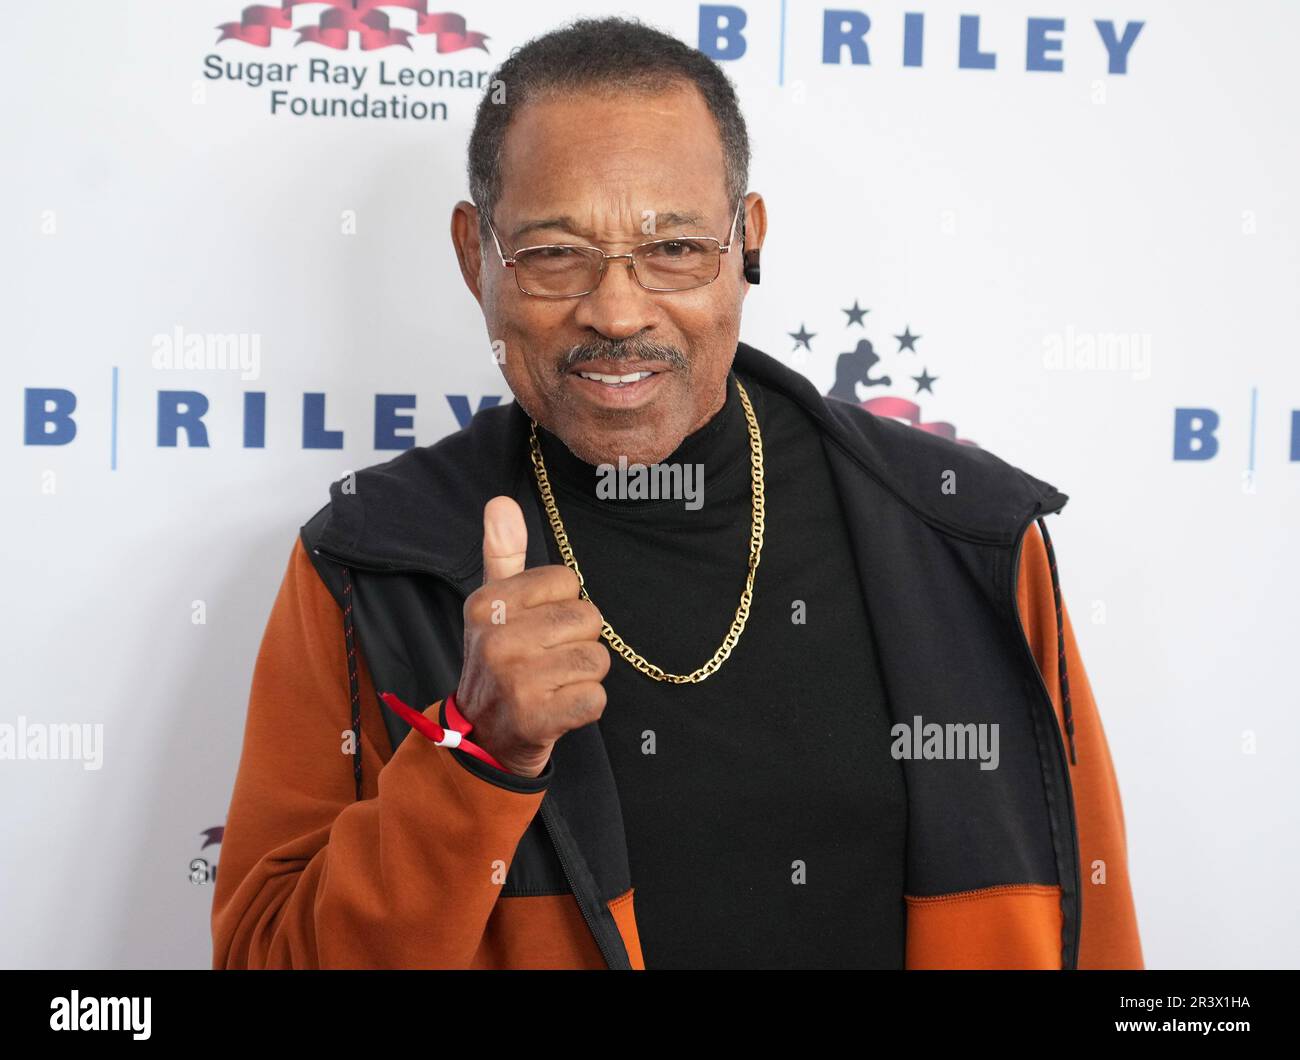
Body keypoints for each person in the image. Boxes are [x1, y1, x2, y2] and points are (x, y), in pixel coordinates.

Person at [211, 15, 1142, 970]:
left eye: (677, 249)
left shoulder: (964, 533)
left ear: (748, 243)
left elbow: (1093, 936)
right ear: (472, 254)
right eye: (555, 253)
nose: (618, 312)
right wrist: (473, 752)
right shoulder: (370, 561)